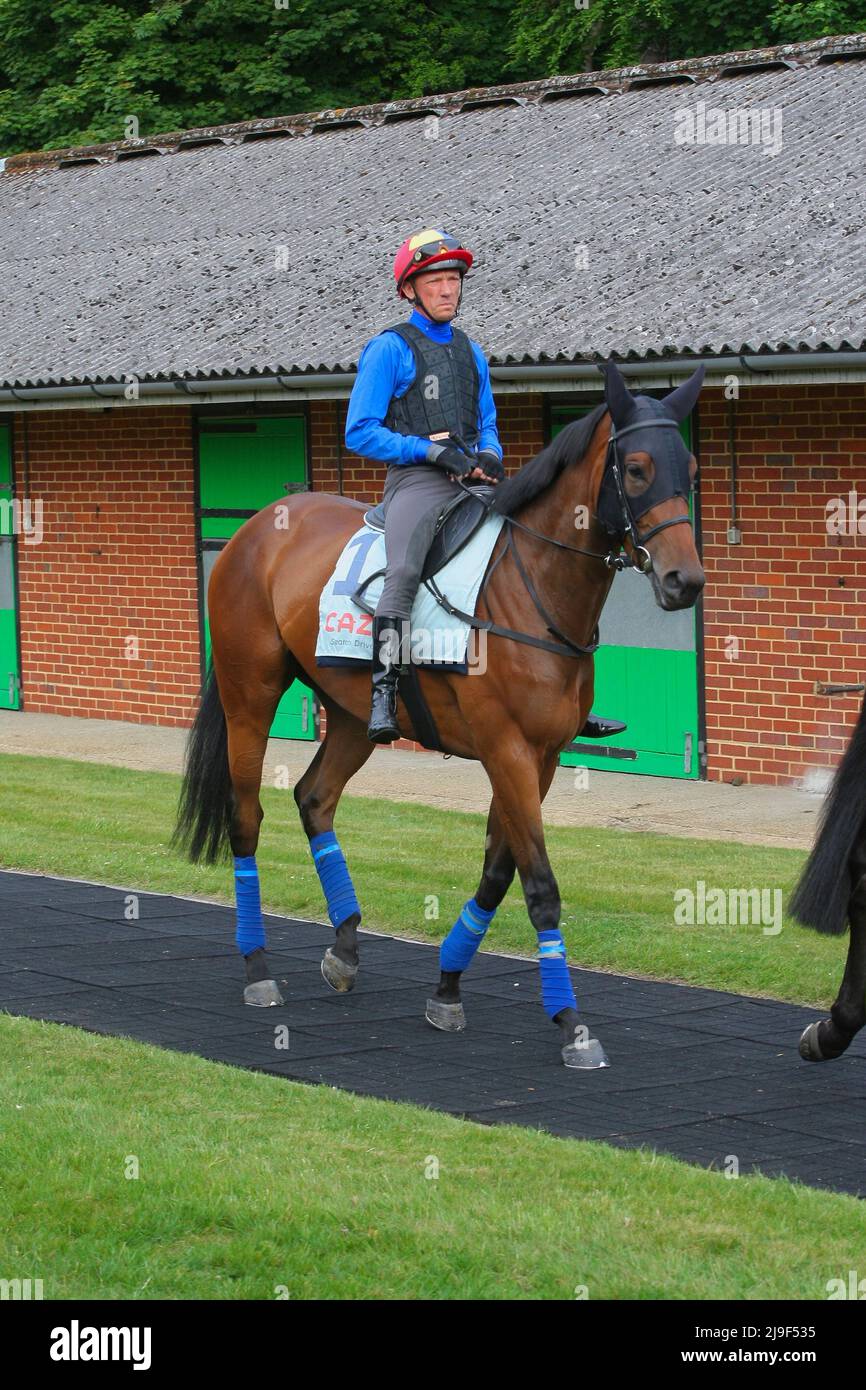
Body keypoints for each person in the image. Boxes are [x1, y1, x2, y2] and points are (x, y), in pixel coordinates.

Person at [345, 229, 504, 743]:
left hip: (469, 481)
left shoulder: (471, 352)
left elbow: (489, 425)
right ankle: (384, 691)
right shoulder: (388, 348)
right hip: (416, 481)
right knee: (406, 567)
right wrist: (427, 450)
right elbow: (360, 431)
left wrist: (488, 455)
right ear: (409, 290)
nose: (447, 290)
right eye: (434, 280)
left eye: (454, 279)